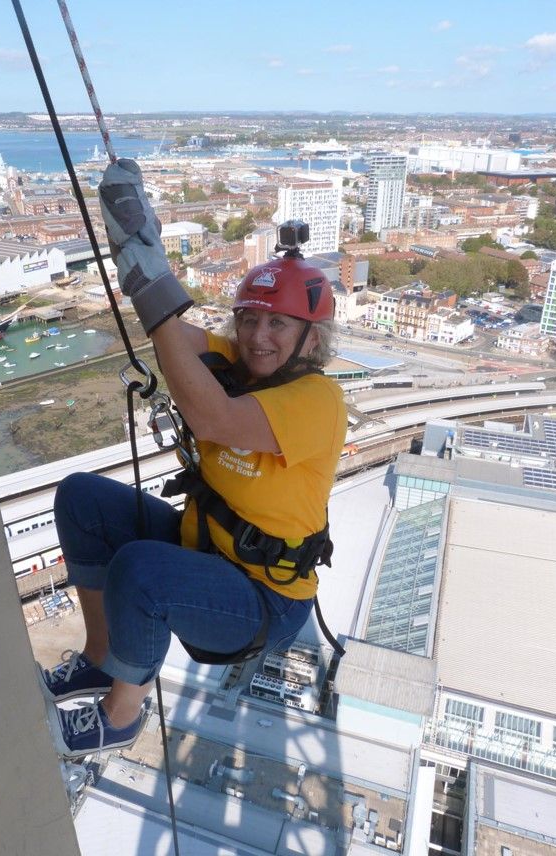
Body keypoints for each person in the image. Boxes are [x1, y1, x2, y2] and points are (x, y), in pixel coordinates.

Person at [38, 158, 348, 759]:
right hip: (209, 546)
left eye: (278, 324)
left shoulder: (318, 401)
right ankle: (103, 661)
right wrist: (139, 254)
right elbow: (171, 336)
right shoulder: (232, 360)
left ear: (312, 339)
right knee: (82, 500)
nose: (259, 335)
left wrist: (152, 280)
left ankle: (122, 716)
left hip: (265, 597)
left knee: (141, 571)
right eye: (250, 318)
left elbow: (213, 420)